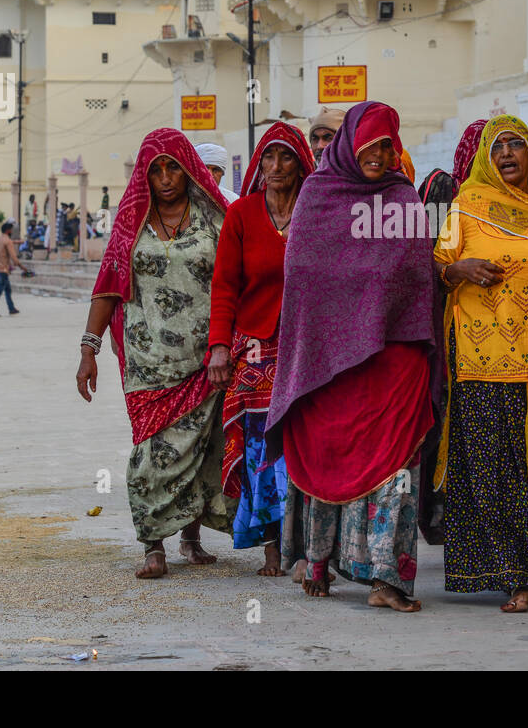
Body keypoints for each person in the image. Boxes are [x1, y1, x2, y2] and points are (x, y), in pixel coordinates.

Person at [268, 101, 437, 613]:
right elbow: (303, 278)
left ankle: (389, 580)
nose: (381, 154)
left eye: (389, 144)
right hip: (329, 363)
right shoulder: (318, 196)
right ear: (350, 142)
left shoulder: (404, 198)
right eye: (372, 142)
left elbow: (416, 280)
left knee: (397, 473)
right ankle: (318, 560)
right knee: (328, 458)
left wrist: (372, 303)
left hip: (394, 361)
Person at [434, 115, 528, 612]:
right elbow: (436, 267)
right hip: (479, 362)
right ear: (484, 157)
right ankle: (515, 576)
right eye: (497, 147)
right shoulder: (466, 206)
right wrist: (457, 268)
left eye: (516, 146)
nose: (507, 155)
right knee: (488, 473)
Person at [77, 128, 236, 579]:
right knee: (152, 451)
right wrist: (88, 350)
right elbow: (107, 287)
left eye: (173, 168)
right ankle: (153, 542)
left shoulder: (216, 220)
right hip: (149, 363)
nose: (166, 177)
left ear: (189, 171)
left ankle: (191, 535)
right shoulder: (132, 225)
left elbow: (237, 279)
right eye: (156, 170)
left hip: (210, 358)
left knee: (207, 447)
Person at [206, 122, 316, 573]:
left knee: (304, 441)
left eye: (286, 157)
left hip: (307, 344)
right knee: (262, 448)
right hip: (255, 349)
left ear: (301, 164)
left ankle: (307, 539)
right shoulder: (242, 216)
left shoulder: (316, 211)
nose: (275, 167)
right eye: (267, 158)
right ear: (257, 164)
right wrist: (217, 347)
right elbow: (224, 285)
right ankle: (273, 539)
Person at [410, 118, 488, 545]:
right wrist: (451, 271)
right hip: (443, 321)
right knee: (440, 415)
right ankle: (436, 515)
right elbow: (418, 256)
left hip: (497, 329)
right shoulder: (443, 190)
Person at [0, 222, 24, 317]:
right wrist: (23, 267)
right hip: (3, 269)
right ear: (8, 230)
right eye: (11, 229)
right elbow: (14, 258)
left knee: (7, 290)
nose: (12, 231)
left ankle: (11, 308)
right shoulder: (7, 241)